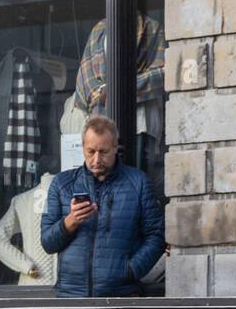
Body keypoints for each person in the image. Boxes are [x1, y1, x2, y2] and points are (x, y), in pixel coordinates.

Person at [40, 115, 164, 298]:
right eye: (91, 151)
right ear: (82, 147)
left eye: (103, 151)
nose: (96, 159)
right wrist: (70, 222)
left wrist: (130, 270)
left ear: (115, 147)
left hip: (121, 296)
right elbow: (48, 243)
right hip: (71, 296)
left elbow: (156, 236)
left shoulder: (138, 183)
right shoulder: (61, 184)